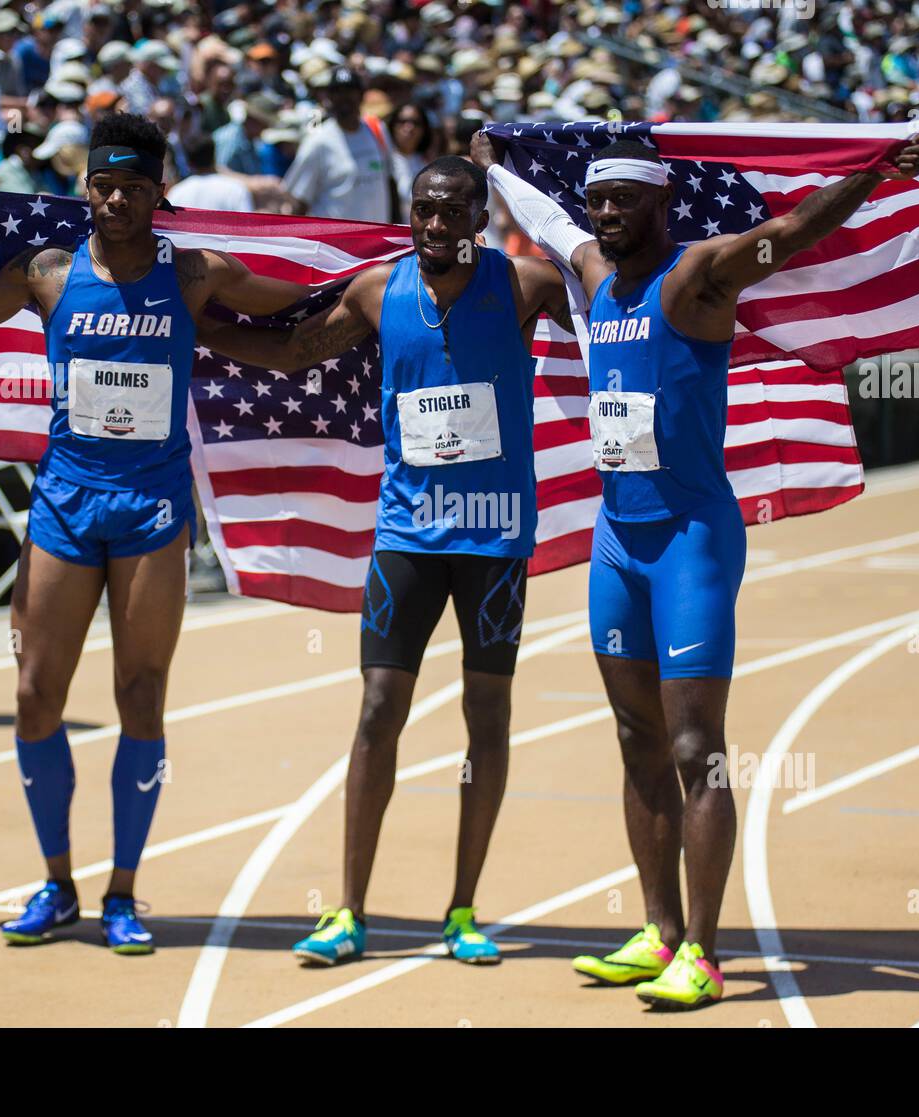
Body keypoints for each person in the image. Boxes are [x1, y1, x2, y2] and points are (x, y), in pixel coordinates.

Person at [473, 126, 919, 1008]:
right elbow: (545, 216)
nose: (605, 215)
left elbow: (794, 235)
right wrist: (496, 166)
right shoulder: (596, 280)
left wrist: (871, 170)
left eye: (624, 201)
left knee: (695, 747)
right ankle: (658, 931)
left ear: (661, 203)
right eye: (598, 201)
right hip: (620, 539)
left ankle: (707, 953)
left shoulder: (698, 277)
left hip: (691, 539)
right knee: (636, 740)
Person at [0, 112, 309, 954]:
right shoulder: (47, 272)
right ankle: (57, 880)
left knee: (140, 695)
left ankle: (123, 891)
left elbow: (296, 293)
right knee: (37, 692)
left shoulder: (194, 274)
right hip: (67, 498)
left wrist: (381, 267)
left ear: (160, 194)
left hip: (151, 507)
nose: (116, 200)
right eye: (104, 185)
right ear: (85, 186)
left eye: (134, 188)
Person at [199, 155, 575, 966]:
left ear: (479, 216)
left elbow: (616, 304)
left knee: (488, 721)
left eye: (454, 211)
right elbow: (298, 351)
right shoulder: (378, 290)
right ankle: (348, 911)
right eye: (424, 209)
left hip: (495, 534)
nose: (437, 224)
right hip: (407, 533)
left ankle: (463, 908)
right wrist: (191, 324)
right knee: (376, 711)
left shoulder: (524, 286)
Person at [281, 67, 393, 223]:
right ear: (329, 97)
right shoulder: (318, 141)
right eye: (337, 92)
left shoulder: (377, 130)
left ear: (361, 95)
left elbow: (388, 182)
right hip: (336, 245)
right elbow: (298, 200)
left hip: (378, 242)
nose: (344, 97)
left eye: (350, 91)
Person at [166, 133, 254, 211]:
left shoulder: (177, 193)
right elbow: (246, 226)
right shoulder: (236, 189)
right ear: (214, 158)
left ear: (189, 163)